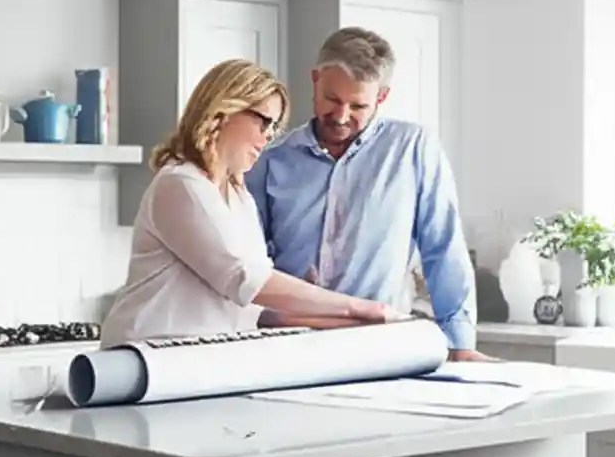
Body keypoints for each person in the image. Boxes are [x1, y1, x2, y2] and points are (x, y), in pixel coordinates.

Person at [99, 58, 401, 348]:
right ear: (224, 111)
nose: (267, 138)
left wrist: (353, 321)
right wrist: (358, 307)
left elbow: (254, 309)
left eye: (274, 129)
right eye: (264, 123)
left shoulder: (238, 196)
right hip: (141, 359)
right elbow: (246, 279)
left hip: (192, 361)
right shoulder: (180, 185)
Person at [246, 27, 489, 362]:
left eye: (358, 105)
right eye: (332, 99)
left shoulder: (412, 150)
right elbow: (248, 261)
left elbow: (443, 249)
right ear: (315, 80)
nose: (341, 116)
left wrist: (459, 344)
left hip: (379, 346)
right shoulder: (271, 158)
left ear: (381, 97)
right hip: (286, 344)